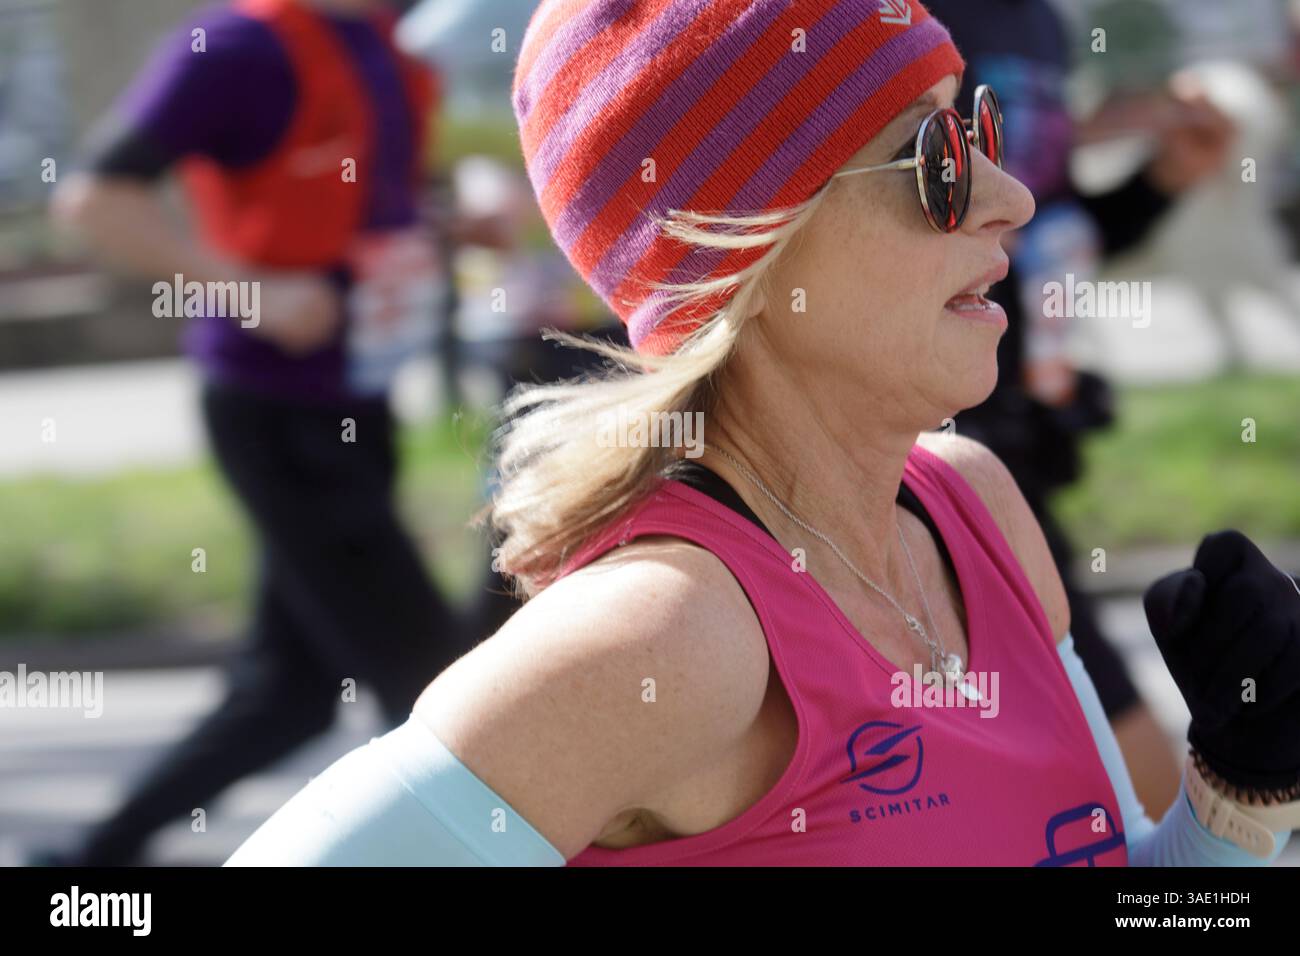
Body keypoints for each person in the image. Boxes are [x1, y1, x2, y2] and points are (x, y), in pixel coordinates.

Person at [225, 0, 1300, 866]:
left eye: (980, 128)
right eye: (934, 156)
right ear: (745, 245)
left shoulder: (973, 504)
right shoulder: (665, 635)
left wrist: (1233, 804)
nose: (1009, 195)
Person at [42, 0, 467, 866]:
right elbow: (93, 201)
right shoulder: (239, 47)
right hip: (278, 414)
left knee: (290, 692)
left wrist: (448, 229)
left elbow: (364, 205)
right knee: (443, 695)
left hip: (362, 405)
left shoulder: (387, 32)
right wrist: (252, 294)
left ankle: (85, 863)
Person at [923, 0, 1234, 818]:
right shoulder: (890, 16)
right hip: (921, 441)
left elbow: (1045, 224)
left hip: (1013, 437)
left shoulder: (1040, 22)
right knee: (1143, 789)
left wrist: (1159, 183)